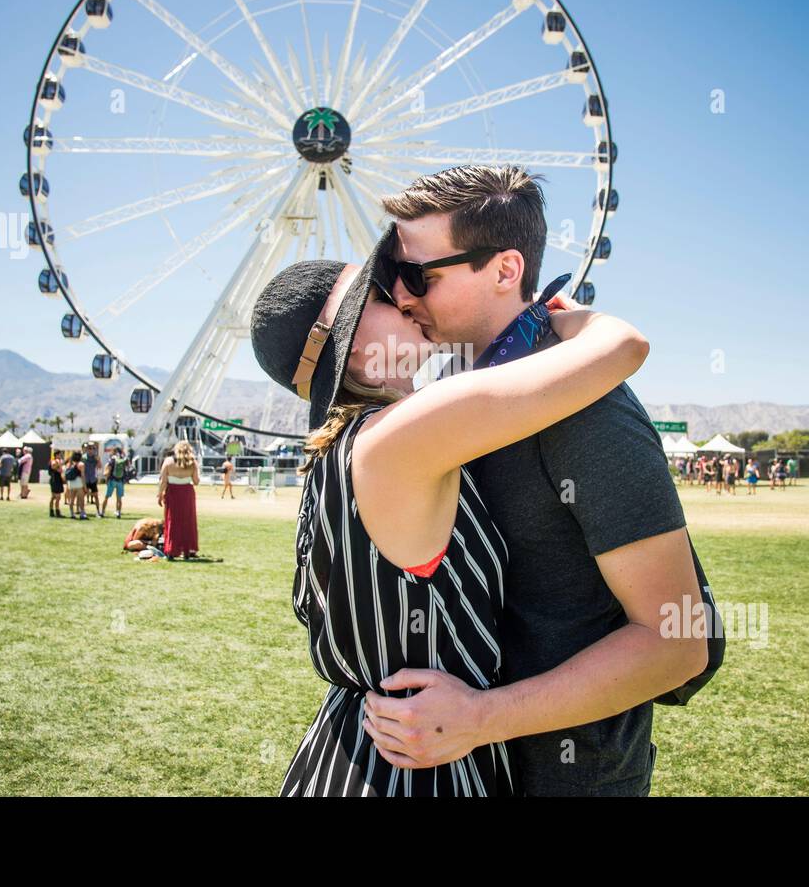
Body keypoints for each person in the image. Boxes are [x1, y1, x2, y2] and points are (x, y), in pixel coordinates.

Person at [253, 168, 709, 797]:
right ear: (351, 352)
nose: (405, 297)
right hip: (431, 760)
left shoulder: (589, 410)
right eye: (386, 289)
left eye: (415, 276)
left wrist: (483, 718)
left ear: (503, 269)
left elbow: (679, 642)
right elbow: (624, 343)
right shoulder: (430, 422)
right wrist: (596, 327)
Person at [157, 441, 199, 560]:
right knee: (187, 521)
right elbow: (196, 481)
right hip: (187, 493)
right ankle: (187, 551)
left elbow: (163, 481)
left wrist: (159, 495)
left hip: (173, 493)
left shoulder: (168, 461)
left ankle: (171, 550)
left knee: (172, 521)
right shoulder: (192, 463)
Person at [102, 447, 127, 518]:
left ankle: (102, 512)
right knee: (119, 498)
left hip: (112, 480)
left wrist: (107, 479)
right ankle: (118, 512)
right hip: (120, 481)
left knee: (106, 497)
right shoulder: (122, 459)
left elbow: (109, 470)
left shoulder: (112, 459)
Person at [64, 451, 87, 520]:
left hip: (71, 483)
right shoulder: (81, 464)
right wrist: (85, 487)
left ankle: (72, 513)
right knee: (81, 499)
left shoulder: (69, 464)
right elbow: (82, 476)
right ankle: (82, 513)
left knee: (71, 499)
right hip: (78, 482)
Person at [84, 444, 101, 514]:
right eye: (89, 448)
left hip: (93, 479)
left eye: (92, 449)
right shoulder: (83, 458)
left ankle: (98, 511)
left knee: (96, 496)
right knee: (82, 495)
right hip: (85, 479)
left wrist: (98, 460)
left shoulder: (95, 458)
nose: (91, 450)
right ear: (87, 449)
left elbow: (99, 467)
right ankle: (81, 510)